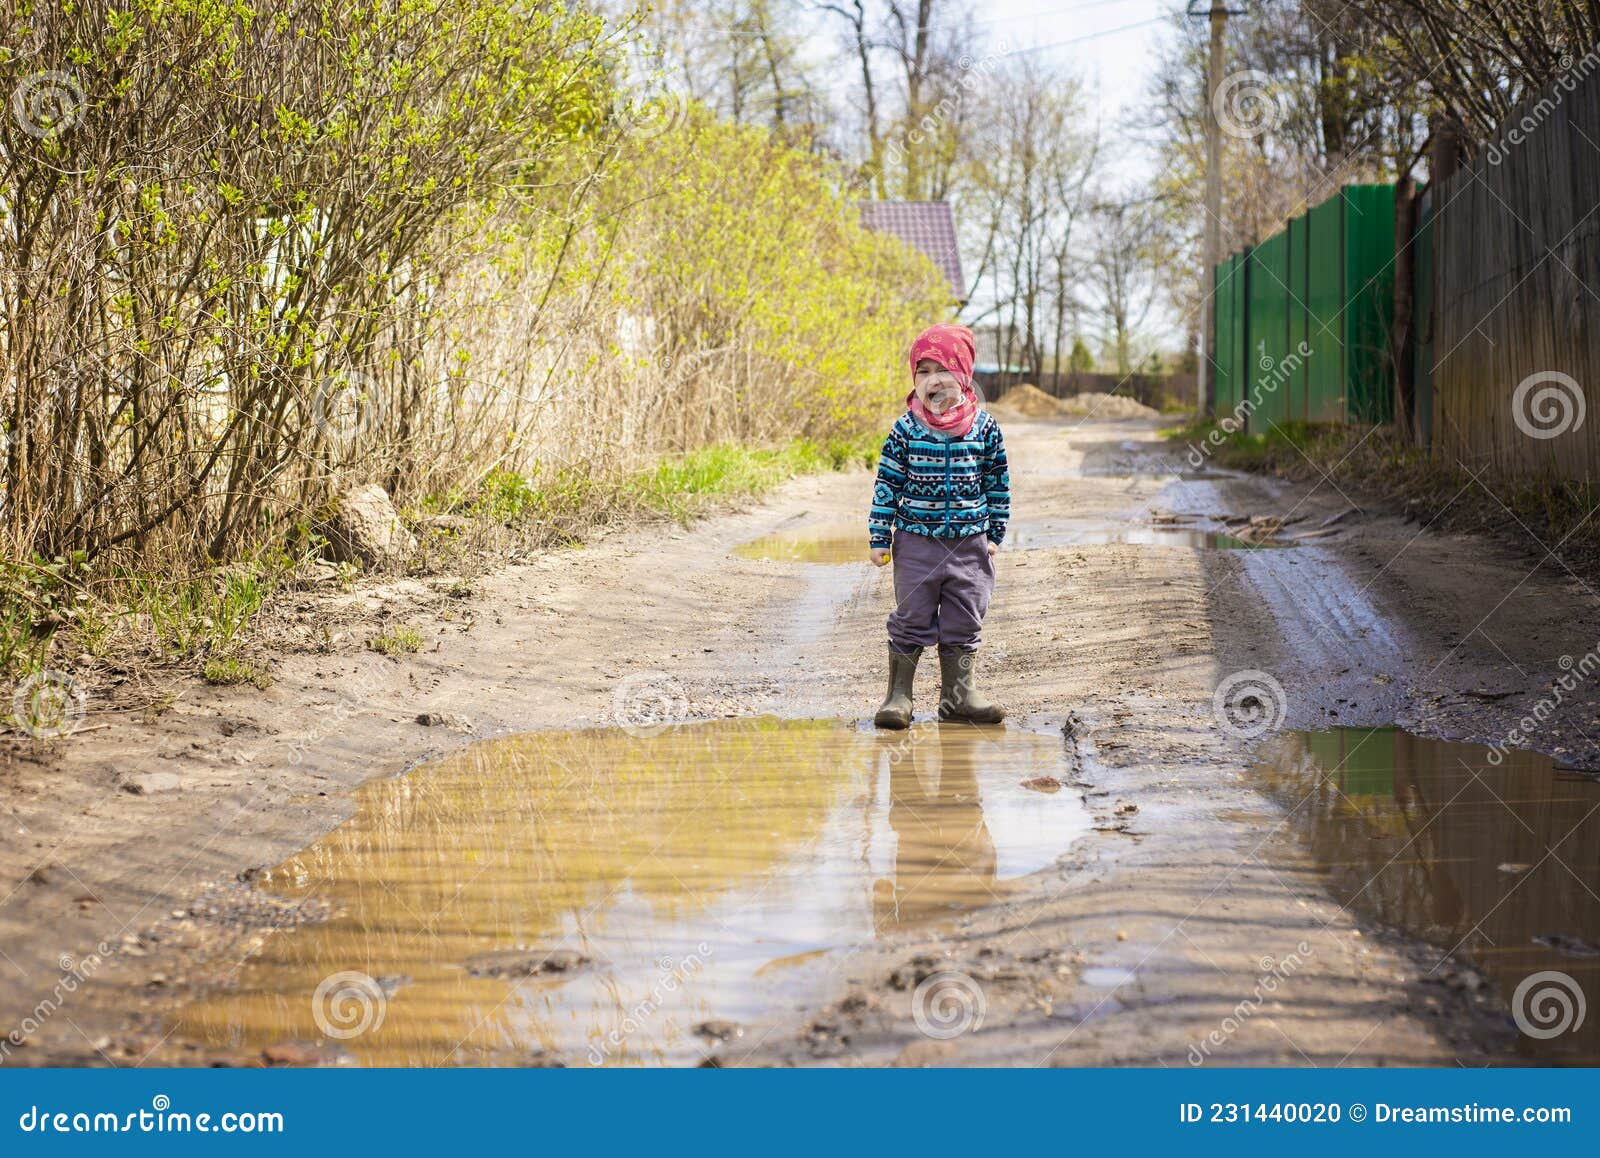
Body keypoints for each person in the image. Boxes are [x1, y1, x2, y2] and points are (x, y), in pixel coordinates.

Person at [867, 322, 1009, 728]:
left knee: (965, 616)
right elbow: (886, 486)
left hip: (970, 545)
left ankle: (959, 695)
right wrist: (880, 536)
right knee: (912, 615)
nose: (932, 380)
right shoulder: (905, 429)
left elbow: (996, 482)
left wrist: (995, 533)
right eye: (923, 371)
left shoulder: (984, 428)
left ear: (963, 376)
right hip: (916, 542)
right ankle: (898, 696)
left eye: (942, 370)